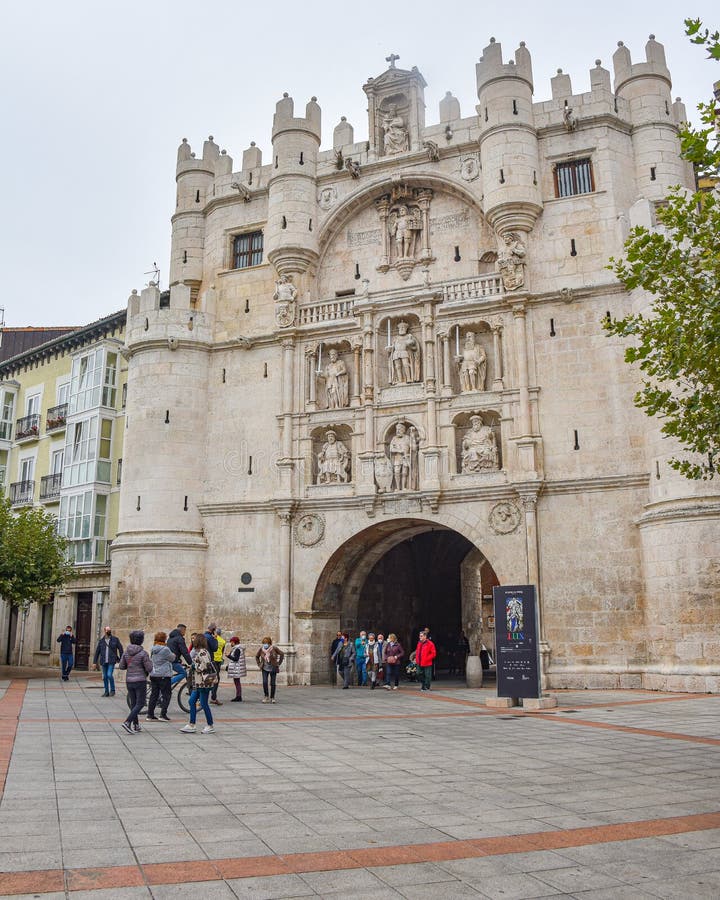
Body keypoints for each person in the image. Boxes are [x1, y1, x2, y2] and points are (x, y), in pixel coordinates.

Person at [180, 634, 218, 734]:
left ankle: (210, 725)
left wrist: (194, 666)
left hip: (203, 683)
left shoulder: (202, 653)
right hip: (198, 683)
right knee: (192, 701)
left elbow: (205, 665)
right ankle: (192, 724)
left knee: (204, 703)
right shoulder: (202, 652)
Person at [118, 630, 152, 734]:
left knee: (134, 703)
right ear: (141, 640)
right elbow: (149, 668)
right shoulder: (143, 653)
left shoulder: (126, 652)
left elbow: (121, 666)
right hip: (140, 680)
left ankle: (136, 725)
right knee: (141, 703)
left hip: (129, 680)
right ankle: (128, 722)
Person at [146, 631, 175, 722]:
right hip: (163, 675)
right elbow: (172, 658)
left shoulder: (153, 648)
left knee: (154, 695)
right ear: (164, 639)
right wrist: (174, 654)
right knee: (167, 695)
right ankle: (163, 714)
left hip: (154, 674)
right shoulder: (165, 649)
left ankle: (150, 715)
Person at [92, 626, 123, 696]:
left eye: (110, 630)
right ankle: (106, 691)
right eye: (107, 630)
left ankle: (112, 690)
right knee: (105, 676)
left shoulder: (115, 639)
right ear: (104, 631)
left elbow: (120, 649)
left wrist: (121, 659)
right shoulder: (101, 641)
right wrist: (94, 662)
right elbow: (97, 652)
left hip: (111, 660)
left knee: (109, 675)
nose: (109, 631)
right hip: (103, 661)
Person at [255, 637, 284, 704]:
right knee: (265, 682)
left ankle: (272, 697)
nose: (265, 644)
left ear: (269, 643)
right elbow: (256, 656)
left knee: (273, 683)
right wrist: (259, 664)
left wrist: (278, 663)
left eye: (267, 643)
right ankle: (266, 696)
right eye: (264, 643)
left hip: (273, 668)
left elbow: (282, 654)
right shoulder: (261, 649)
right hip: (264, 668)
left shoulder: (274, 648)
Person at [203, 623, 221, 705]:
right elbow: (215, 648)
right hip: (210, 660)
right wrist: (215, 638)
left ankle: (200, 698)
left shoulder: (203, 636)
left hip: (201, 660)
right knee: (215, 678)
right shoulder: (210, 638)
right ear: (213, 630)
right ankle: (213, 698)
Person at [226, 636, 247, 701]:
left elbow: (236, 659)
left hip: (237, 668)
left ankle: (238, 696)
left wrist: (228, 656)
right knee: (237, 682)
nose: (231, 644)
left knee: (237, 682)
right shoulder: (237, 648)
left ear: (234, 642)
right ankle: (238, 695)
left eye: (231, 642)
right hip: (237, 667)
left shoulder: (237, 649)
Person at [210, 627, 226, 705]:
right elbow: (222, 651)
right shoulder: (223, 641)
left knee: (209, 677)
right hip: (218, 661)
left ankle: (205, 697)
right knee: (216, 679)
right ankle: (213, 697)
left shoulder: (212, 639)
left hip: (212, 660)